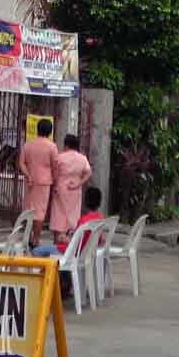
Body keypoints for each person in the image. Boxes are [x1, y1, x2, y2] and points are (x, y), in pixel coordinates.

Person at [32, 187, 105, 297]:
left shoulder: (84, 220)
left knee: (37, 251)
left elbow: (74, 242)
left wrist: (63, 238)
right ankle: (64, 285)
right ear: (99, 203)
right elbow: (100, 239)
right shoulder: (100, 218)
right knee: (61, 259)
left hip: (72, 252)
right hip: (85, 253)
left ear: (85, 202)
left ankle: (47, 286)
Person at [19, 119, 57, 249]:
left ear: (37, 129)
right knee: (39, 212)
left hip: (30, 181)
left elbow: (21, 163)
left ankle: (28, 237)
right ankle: (36, 239)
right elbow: (54, 165)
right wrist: (55, 180)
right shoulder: (52, 146)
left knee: (28, 209)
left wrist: (28, 175)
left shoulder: (28, 145)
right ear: (50, 131)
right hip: (44, 182)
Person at [50, 134, 92, 244]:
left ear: (67, 145)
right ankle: (70, 243)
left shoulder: (60, 157)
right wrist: (79, 183)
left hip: (60, 189)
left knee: (58, 216)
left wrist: (55, 185)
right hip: (75, 190)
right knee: (73, 216)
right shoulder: (82, 158)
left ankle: (57, 243)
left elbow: (55, 173)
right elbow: (88, 172)